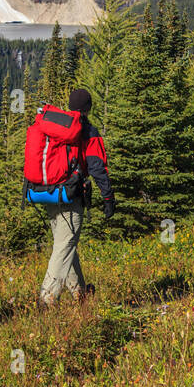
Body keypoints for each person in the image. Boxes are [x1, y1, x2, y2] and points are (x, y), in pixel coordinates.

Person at [39, 87, 115, 308]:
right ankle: (48, 297)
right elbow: (97, 166)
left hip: (49, 193)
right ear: (88, 108)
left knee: (65, 243)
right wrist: (108, 197)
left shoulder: (60, 127)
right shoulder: (87, 131)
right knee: (65, 244)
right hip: (71, 196)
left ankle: (80, 292)